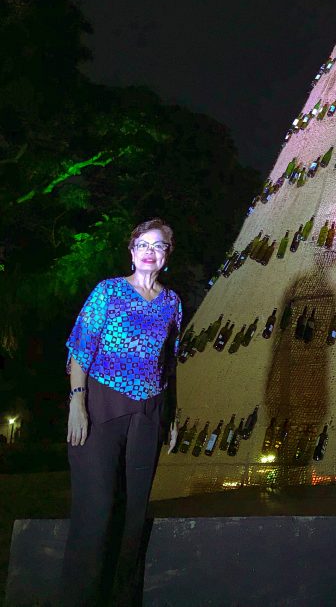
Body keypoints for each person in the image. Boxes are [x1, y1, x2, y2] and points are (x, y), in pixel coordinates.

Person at [61, 218, 182, 605]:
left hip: (148, 415)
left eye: (158, 245)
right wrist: (77, 403)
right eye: (142, 244)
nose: (150, 250)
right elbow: (80, 349)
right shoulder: (109, 291)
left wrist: (172, 417)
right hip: (101, 409)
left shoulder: (172, 303)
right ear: (131, 251)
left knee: (133, 519)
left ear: (166, 256)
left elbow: (169, 363)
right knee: (96, 514)